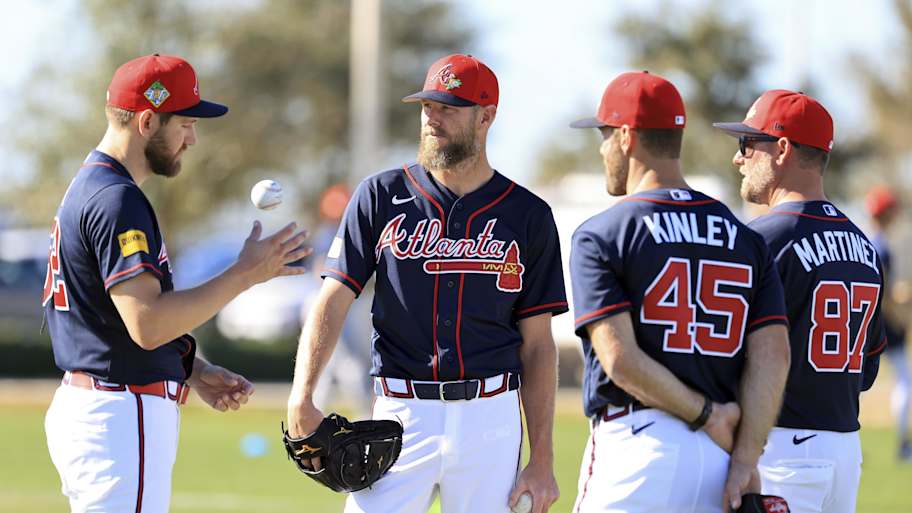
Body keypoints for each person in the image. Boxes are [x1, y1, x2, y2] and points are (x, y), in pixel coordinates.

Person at [285, 53, 568, 513]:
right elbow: (333, 299)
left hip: (490, 416)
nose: (432, 118)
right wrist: (302, 395)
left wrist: (543, 459)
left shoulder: (528, 215)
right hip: (401, 414)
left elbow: (538, 346)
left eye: (448, 107)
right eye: (427, 106)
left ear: (486, 116)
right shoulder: (379, 195)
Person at [42, 54, 309, 513]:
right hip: (120, 415)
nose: (192, 138)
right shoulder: (116, 200)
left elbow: (113, 322)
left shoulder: (91, 187)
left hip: (98, 408)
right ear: (147, 121)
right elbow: (147, 323)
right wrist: (245, 273)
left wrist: (193, 369)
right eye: (184, 123)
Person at [568, 71, 791, 513]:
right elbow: (774, 356)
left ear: (627, 137)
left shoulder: (602, 234)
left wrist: (707, 414)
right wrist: (744, 456)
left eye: (605, 133)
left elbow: (620, 361)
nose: (601, 147)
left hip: (636, 448)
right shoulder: (744, 236)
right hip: (719, 462)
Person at [715, 89, 887, 512]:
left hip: (780, 450)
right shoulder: (863, 244)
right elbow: (866, 370)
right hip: (844, 448)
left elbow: (720, 360)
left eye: (747, 143)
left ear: (783, 149)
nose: (739, 158)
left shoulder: (761, 240)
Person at [865, 185, 910, 460]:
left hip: (866, 324)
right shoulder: (881, 246)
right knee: (905, 381)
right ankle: (903, 444)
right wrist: (901, 317)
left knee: (858, 385)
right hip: (884, 324)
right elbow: (884, 296)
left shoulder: (869, 242)